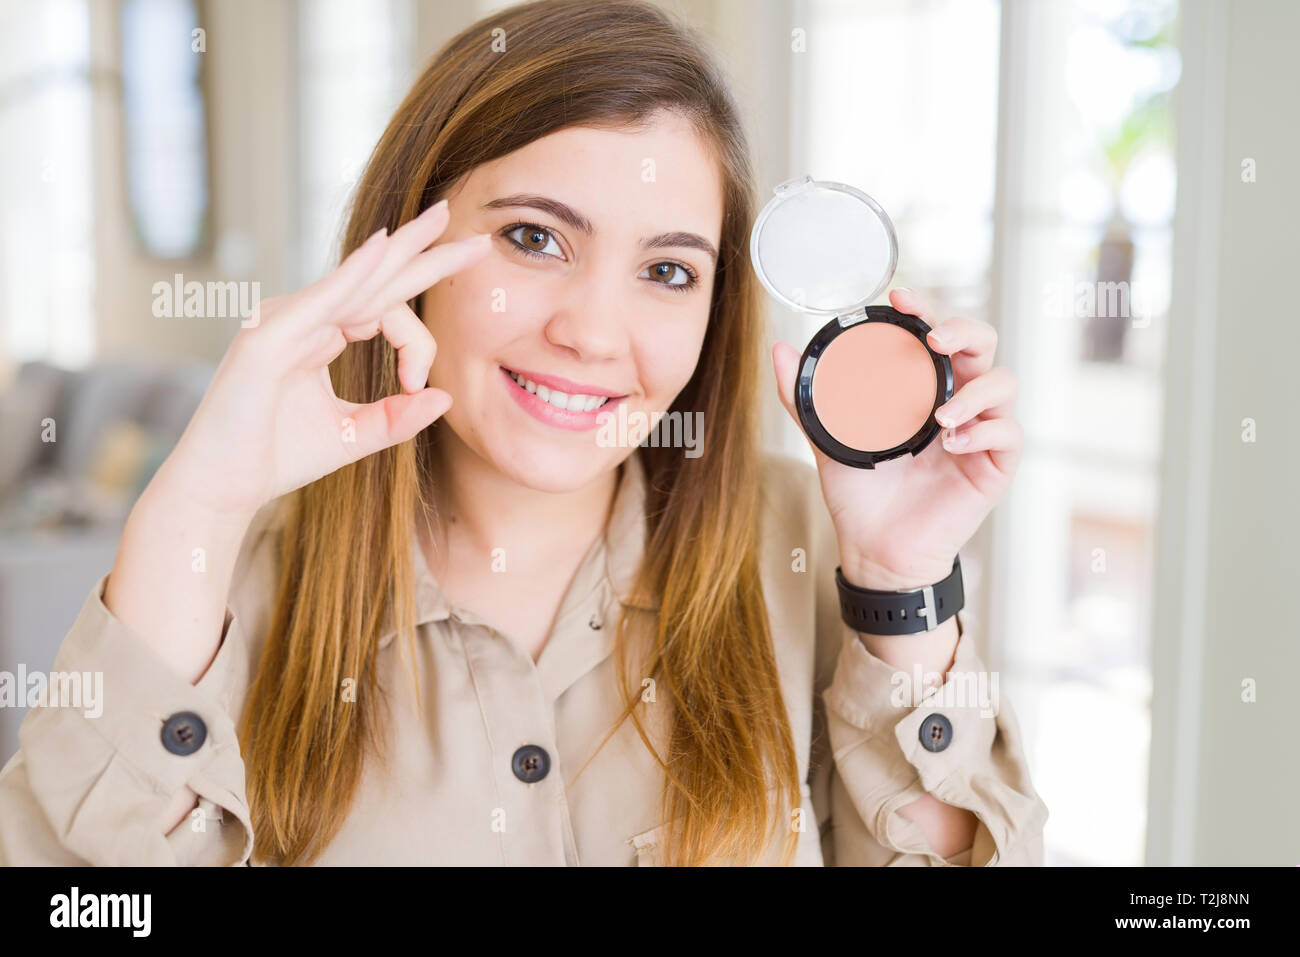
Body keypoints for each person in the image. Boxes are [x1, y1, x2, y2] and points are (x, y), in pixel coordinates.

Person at [0, 0, 1047, 866]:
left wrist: (896, 578)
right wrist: (193, 506)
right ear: (406, 238)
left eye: (668, 269)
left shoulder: (802, 549)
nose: (590, 332)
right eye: (534, 238)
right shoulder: (232, 585)